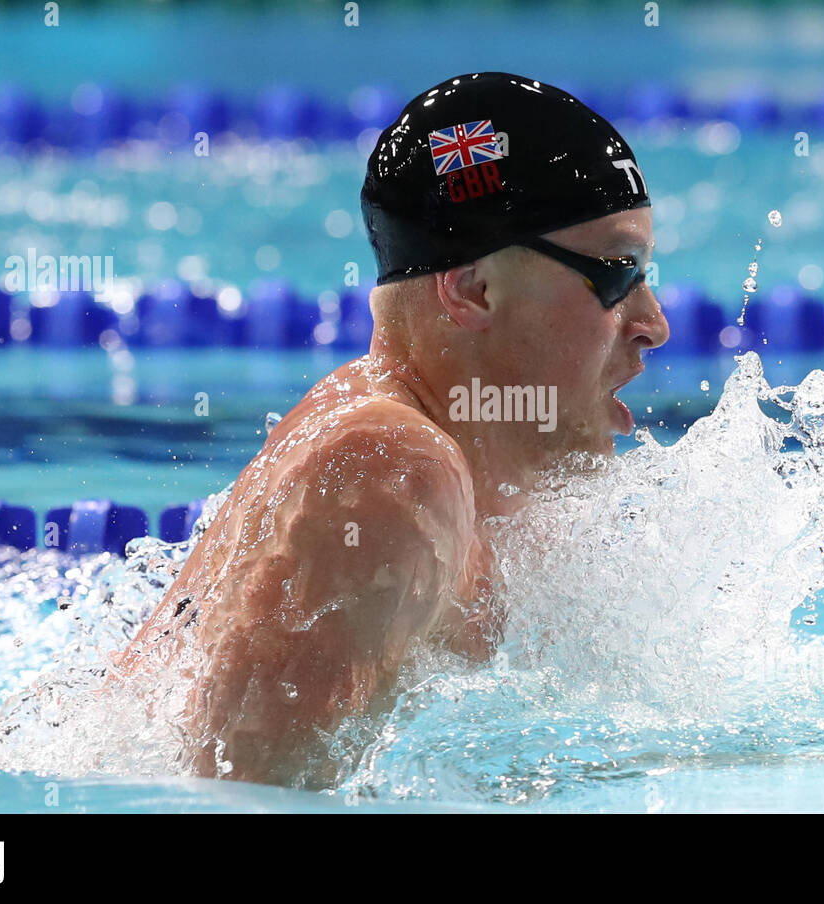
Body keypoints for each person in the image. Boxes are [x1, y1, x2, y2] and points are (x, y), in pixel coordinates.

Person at [114, 72, 670, 787]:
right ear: (475, 291)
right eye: (618, 274)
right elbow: (239, 798)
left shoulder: (467, 462)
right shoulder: (391, 471)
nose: (654, 324)